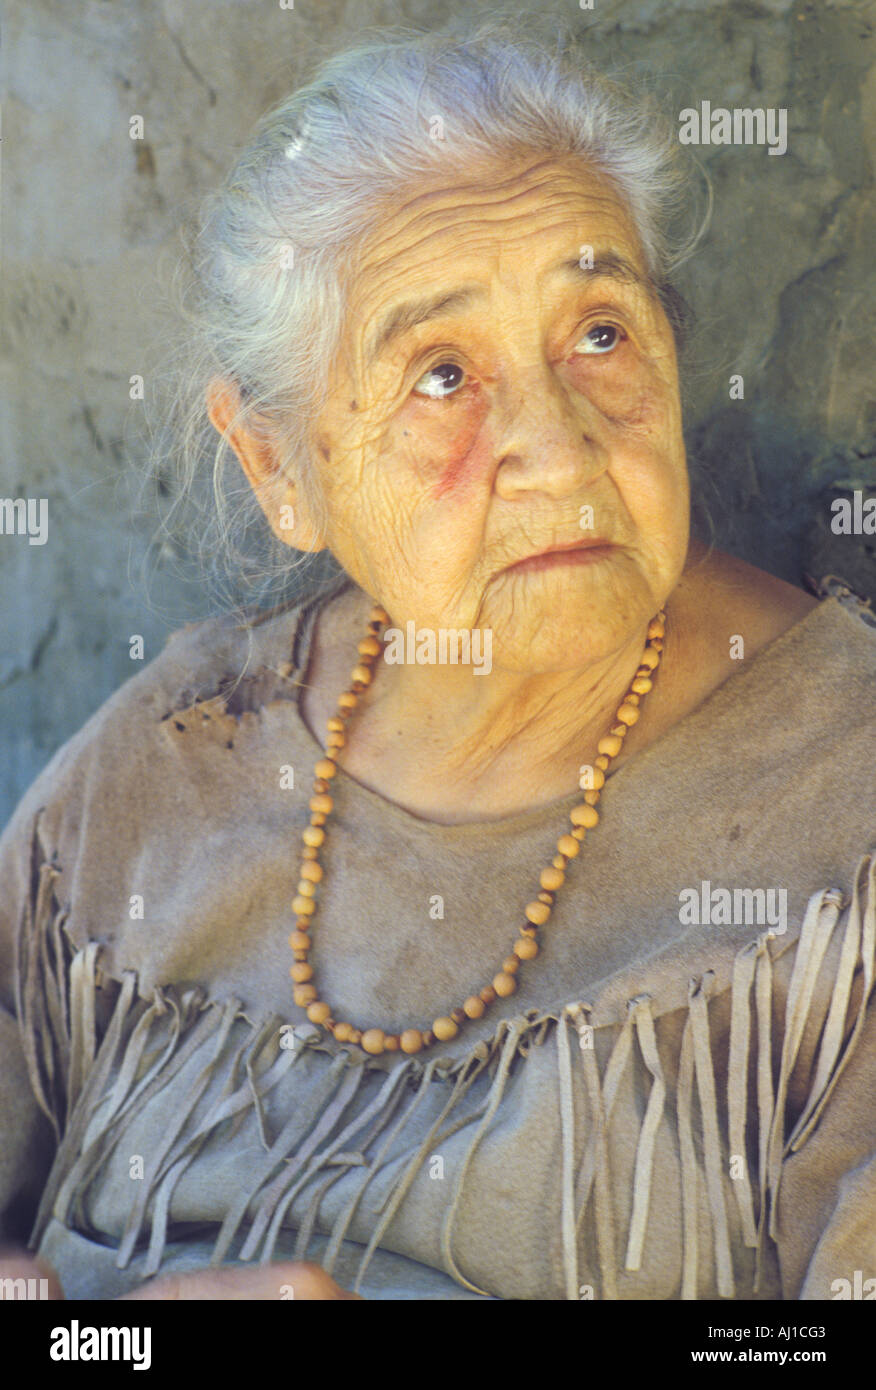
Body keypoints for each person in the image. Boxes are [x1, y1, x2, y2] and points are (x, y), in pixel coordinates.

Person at [1, 18, 874, 1302]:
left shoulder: (843, 811)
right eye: (444, 373)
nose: (562, 453)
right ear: (279, 468)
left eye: (599, 334)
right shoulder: (163, 763)